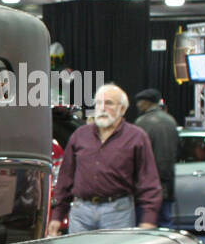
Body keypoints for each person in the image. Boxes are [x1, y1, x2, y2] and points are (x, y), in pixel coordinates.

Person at [48, 83, 162, 235]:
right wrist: (57, 215)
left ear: (122, 109)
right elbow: (66, 177)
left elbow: (149, 181)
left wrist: (149, 219)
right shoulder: (80, 135)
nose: (102, 108)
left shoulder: (136, 137)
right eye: (99, 103)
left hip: (118, 213)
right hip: (81, 212)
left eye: (108, 103)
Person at [132, 88, 179, 226]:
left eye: (140, 102)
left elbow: (136, 155)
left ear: (147, 103)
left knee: (145, 224)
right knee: (165, 223)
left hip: (146, 184)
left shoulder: (141, 123)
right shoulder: (171, 121)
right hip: (168, 183)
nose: (138, 105)